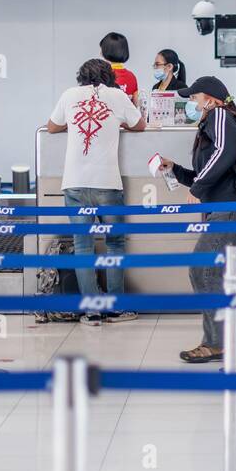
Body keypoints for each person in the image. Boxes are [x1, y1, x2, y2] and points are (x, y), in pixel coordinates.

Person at [159, 76, 236, 363]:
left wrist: (197, 189)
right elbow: (214, 166)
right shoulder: (220, 119)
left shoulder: (219, 114)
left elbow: (223, 152)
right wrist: (178, 171)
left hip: (230, 207)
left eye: (195, 98)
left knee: (203, 268)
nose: (193, 104)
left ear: (210, 99)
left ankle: (217, 343)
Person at [46, 58, 146, 323]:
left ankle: (90, 311)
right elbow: (140, 125)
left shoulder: (69, 95)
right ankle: (115, 307)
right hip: (107, 183)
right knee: (114, 243)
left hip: (75, 182)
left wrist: (72, 121)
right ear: (108, 76)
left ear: (81, 76)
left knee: (83, 245)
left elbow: (51, 126)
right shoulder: (118, 95)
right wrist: (118, 122)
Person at [99, 31, 139, 104]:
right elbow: (136, 105)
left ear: (105, 51)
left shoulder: (100, 75)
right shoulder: (131, 76)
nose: (100, 53)